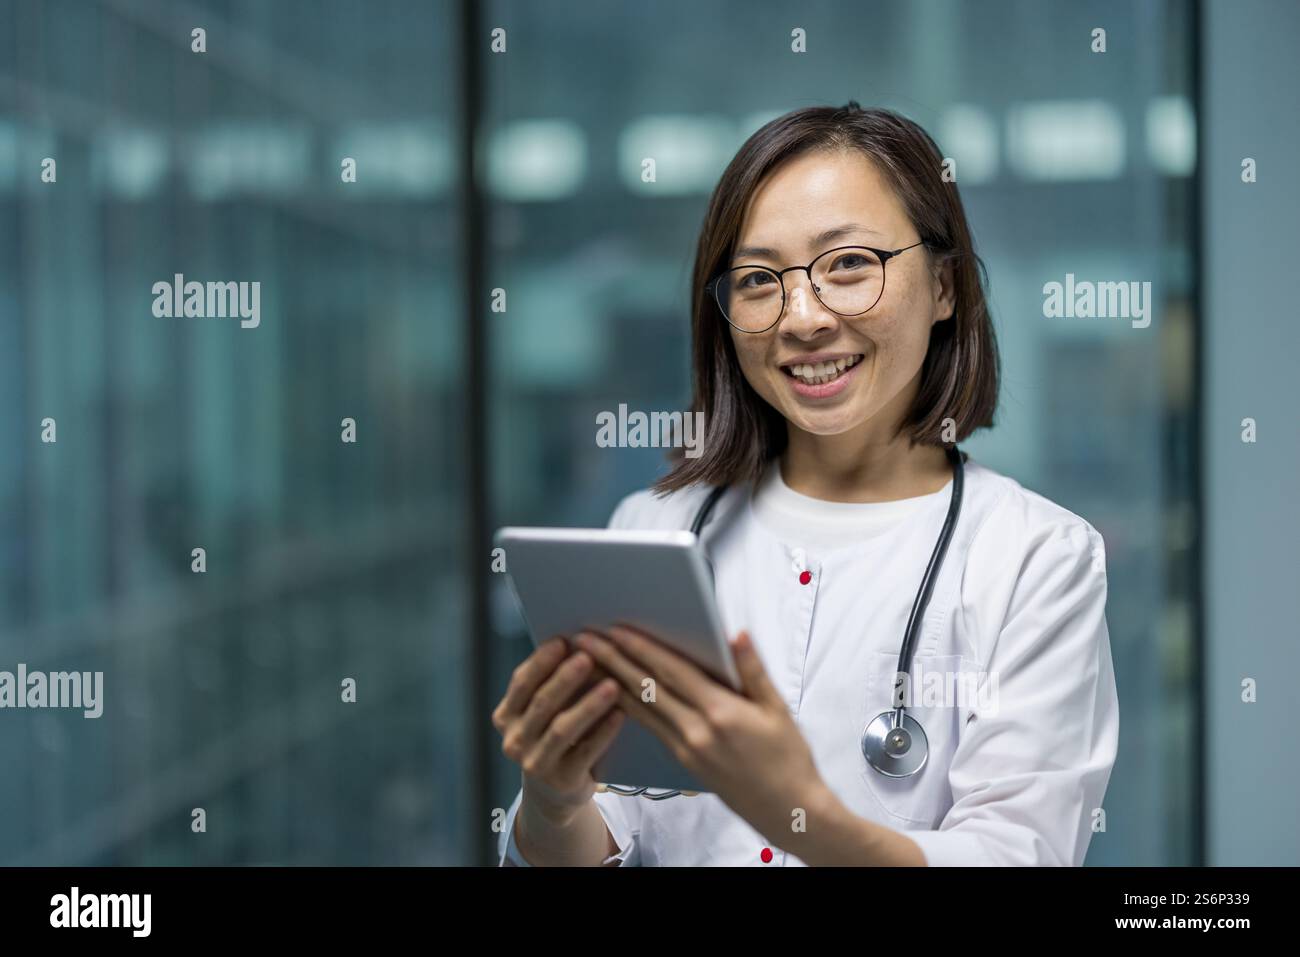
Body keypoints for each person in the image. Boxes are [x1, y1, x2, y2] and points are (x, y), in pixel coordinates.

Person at [492, 102, 1119, 866]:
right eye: (758, 279)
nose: (803, 317)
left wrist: (797, 811)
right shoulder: (655, 530)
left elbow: (1018, 853)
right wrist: (555, 802)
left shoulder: (1035, 559)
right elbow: (605, 838)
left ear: (946, 285)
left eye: (849, 264)